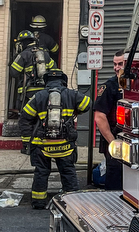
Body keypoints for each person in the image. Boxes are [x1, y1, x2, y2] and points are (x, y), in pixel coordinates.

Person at [19, 69, 91, 209]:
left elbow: (24, 119)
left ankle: (38, 202)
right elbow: (87, 104)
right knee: (68, 171)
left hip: (42, 145)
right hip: (65, 145)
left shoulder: (39, 96)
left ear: (46, 81)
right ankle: (72, 202)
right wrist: (75, 110)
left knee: (41, 172)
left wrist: (27, 141)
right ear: (63, 80)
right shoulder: (71, 94)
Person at [94, 50, 125, 190]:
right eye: (114, 64)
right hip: (115, 139)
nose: (116, 68)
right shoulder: (109, 87)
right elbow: (99, 117)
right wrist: (114, 143)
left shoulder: (137, 85)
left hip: (133, 142)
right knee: (115, 180)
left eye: (120, 64)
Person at [10, 30, 55, 110]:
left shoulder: (23, 55)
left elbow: (13, 73)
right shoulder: (45, 54)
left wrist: (14, 59)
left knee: (26, 115)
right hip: (43, 92)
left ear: (21, 44)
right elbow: (54, 70)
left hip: (27, 93)